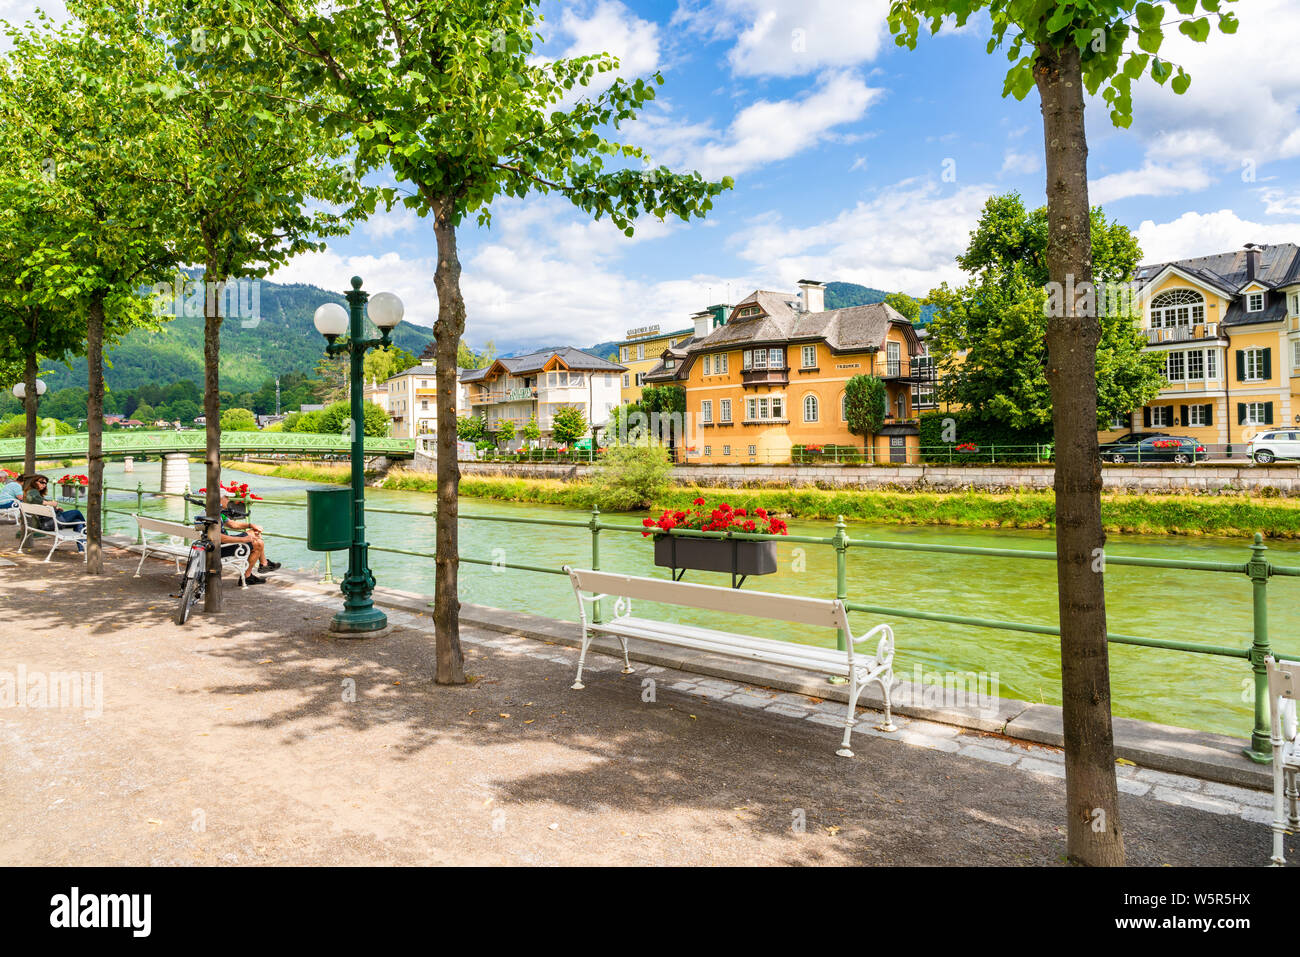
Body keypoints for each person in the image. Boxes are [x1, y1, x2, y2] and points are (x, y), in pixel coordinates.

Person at [217, 493, 280, 581]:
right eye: (226, 497)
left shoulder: (216, 512)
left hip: (222, 544)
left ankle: (264, 563)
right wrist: (243, 539)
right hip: (221, 548)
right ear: (219, 499)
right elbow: (219, 537)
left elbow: (233, 524)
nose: (228, 500)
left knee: (255, 532)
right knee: (258, 544)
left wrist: (250, 525)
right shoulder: (214, 515)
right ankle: (247, 576)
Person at [22, 474, 87, 551]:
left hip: (47, 523)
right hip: (51, 523)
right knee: (76, 512)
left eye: (45, 483)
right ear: (34, 482)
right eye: (41, 482)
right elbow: (33, 499)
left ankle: (82, 549)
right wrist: (50, 503)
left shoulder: (34, 492)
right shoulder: (32, 492)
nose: (44, 485)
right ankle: (87, 529)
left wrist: (55, 507)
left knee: (78, 522)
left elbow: (38, 504)